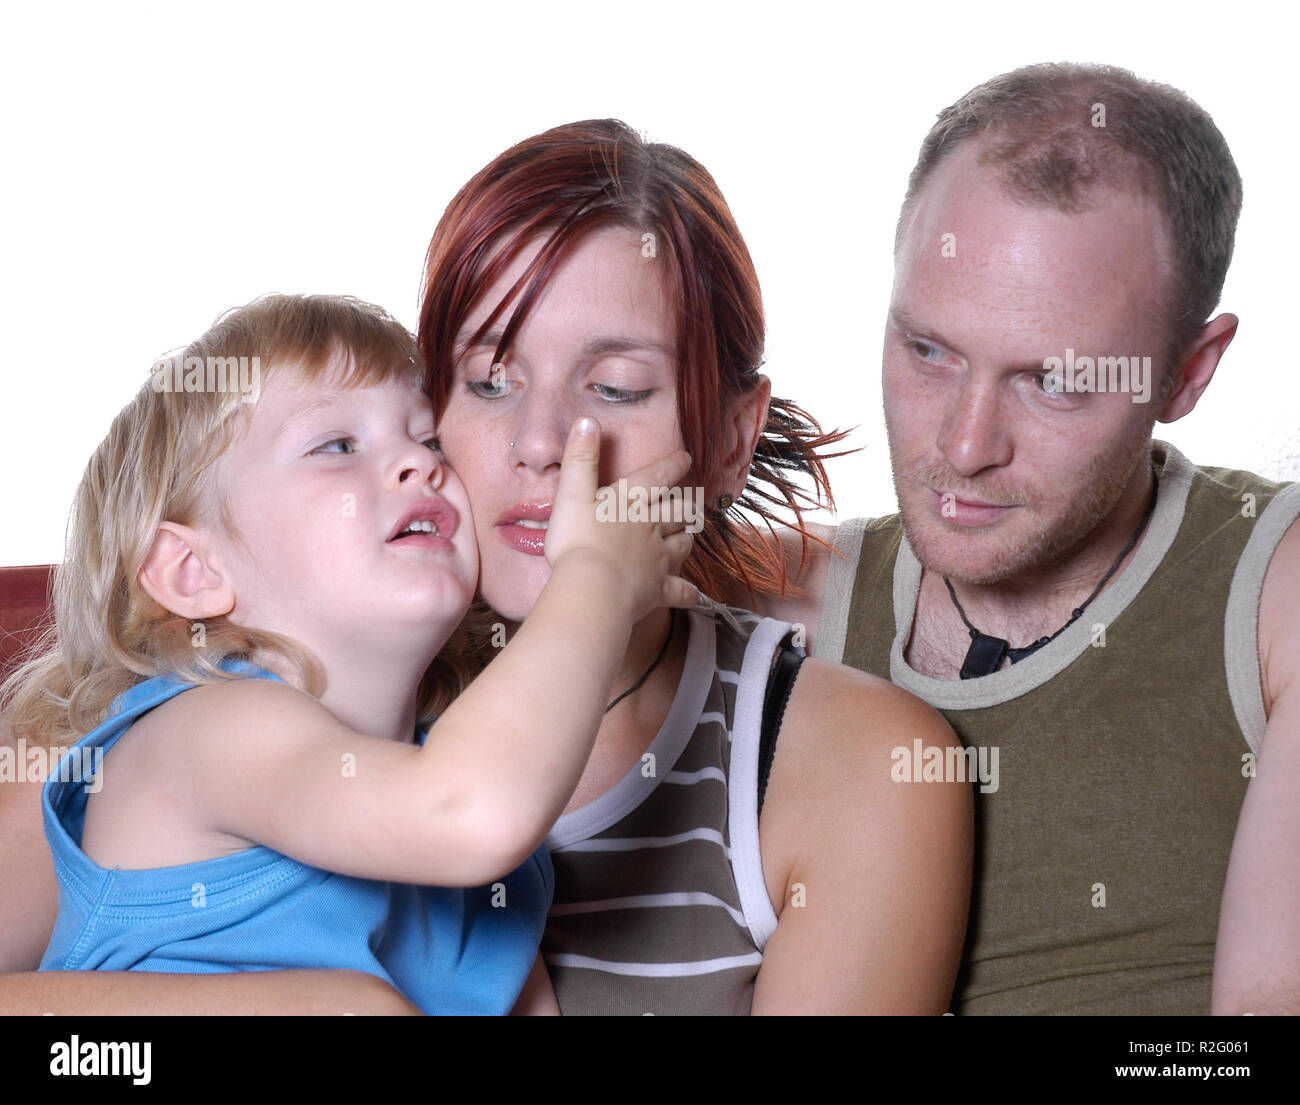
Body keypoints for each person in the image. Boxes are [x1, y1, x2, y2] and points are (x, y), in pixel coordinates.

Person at [0, 122, 974, 1016]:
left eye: (616, 386)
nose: (543, 441)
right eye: (488, 382)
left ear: (728, 437)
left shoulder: (839, 762)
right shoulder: (234, 711)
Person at [745, 62, 1300, 1015]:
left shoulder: (1272, 597)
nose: (963, 447)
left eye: (1054, 382)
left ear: (1188, 372)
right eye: (928, 351)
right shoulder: (776, 607)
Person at [4, 292, 702, 1014]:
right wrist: (595, 576)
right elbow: (473, 809)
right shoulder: (204, 727)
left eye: (430, 441)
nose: (417, 464)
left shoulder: (486, 854)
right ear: (194, 572)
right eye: (337, 445)